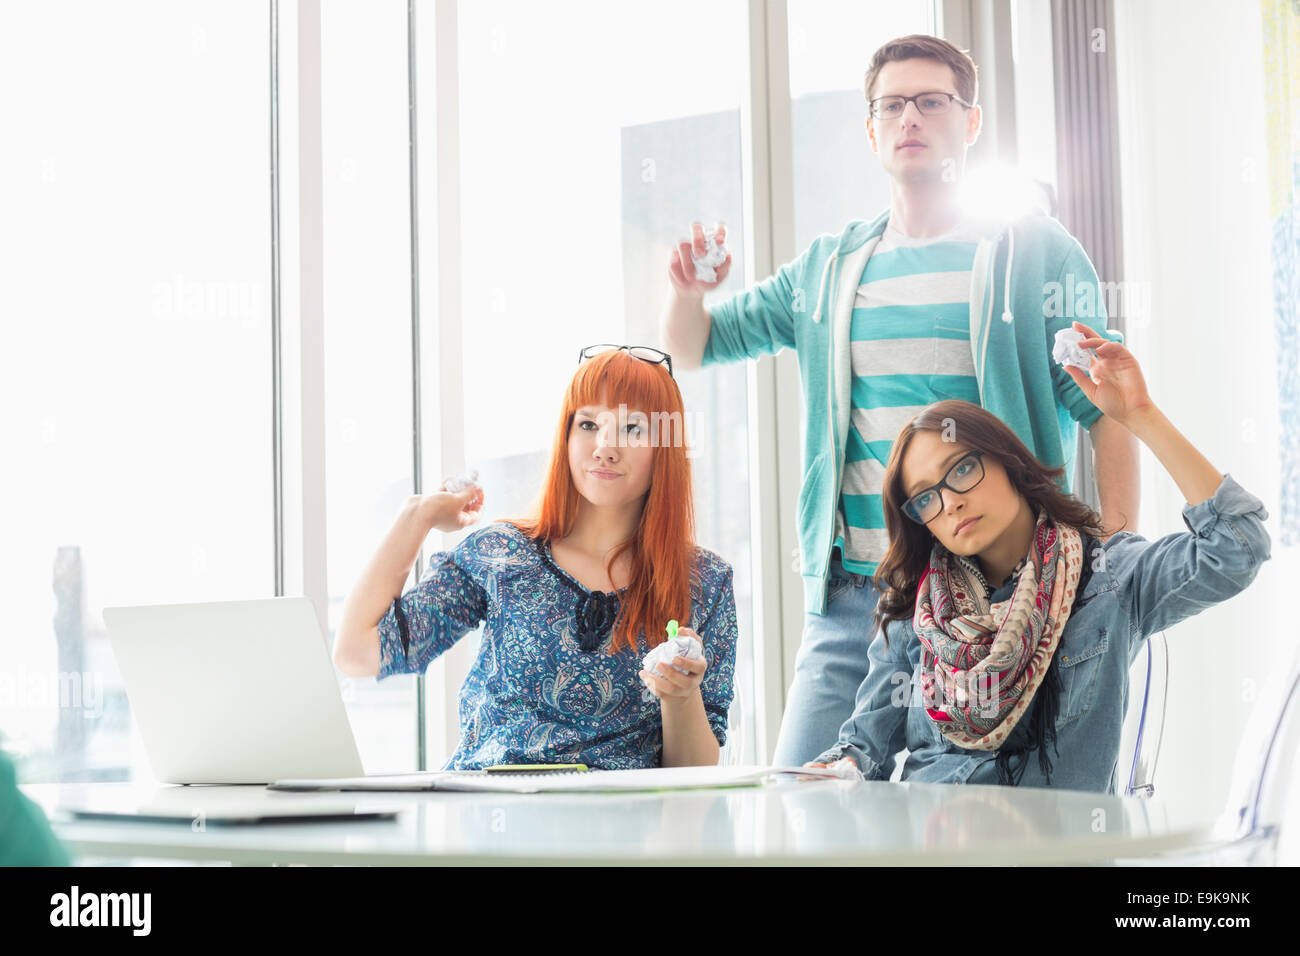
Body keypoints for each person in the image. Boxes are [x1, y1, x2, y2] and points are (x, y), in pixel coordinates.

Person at [661, 33, 1140, 766]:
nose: (909, 117)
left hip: (1001, 594)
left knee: (989, 820)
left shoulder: (1035, 253)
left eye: (930, 101)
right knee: (806, 807)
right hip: (860, 595)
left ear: (970, 122)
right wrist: (688, 292)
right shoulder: (828, 268)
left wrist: (1108, 563)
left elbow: (1106, 409)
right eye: (891, 105)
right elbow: (695, 347)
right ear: (871, 129)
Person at [803, 322, 1270, 791]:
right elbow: (862, 750)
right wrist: (837, 768)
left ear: (1008, 461)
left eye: (962, 470)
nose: (950, 503)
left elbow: (1235, 547)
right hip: (932, 843)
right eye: (926, 499)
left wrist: (1142, 415)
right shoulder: (915, 612)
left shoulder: (1107, 579)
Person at [332, 346, 737, 769]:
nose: (604, 447)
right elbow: (357, 652)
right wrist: (417, 516)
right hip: (489, 819)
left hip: (622, 825)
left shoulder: (705, 582)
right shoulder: (501, 554)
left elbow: (693, 774)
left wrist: (680, 697)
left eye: (633, 428)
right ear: (566, 437)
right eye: (588, 424)